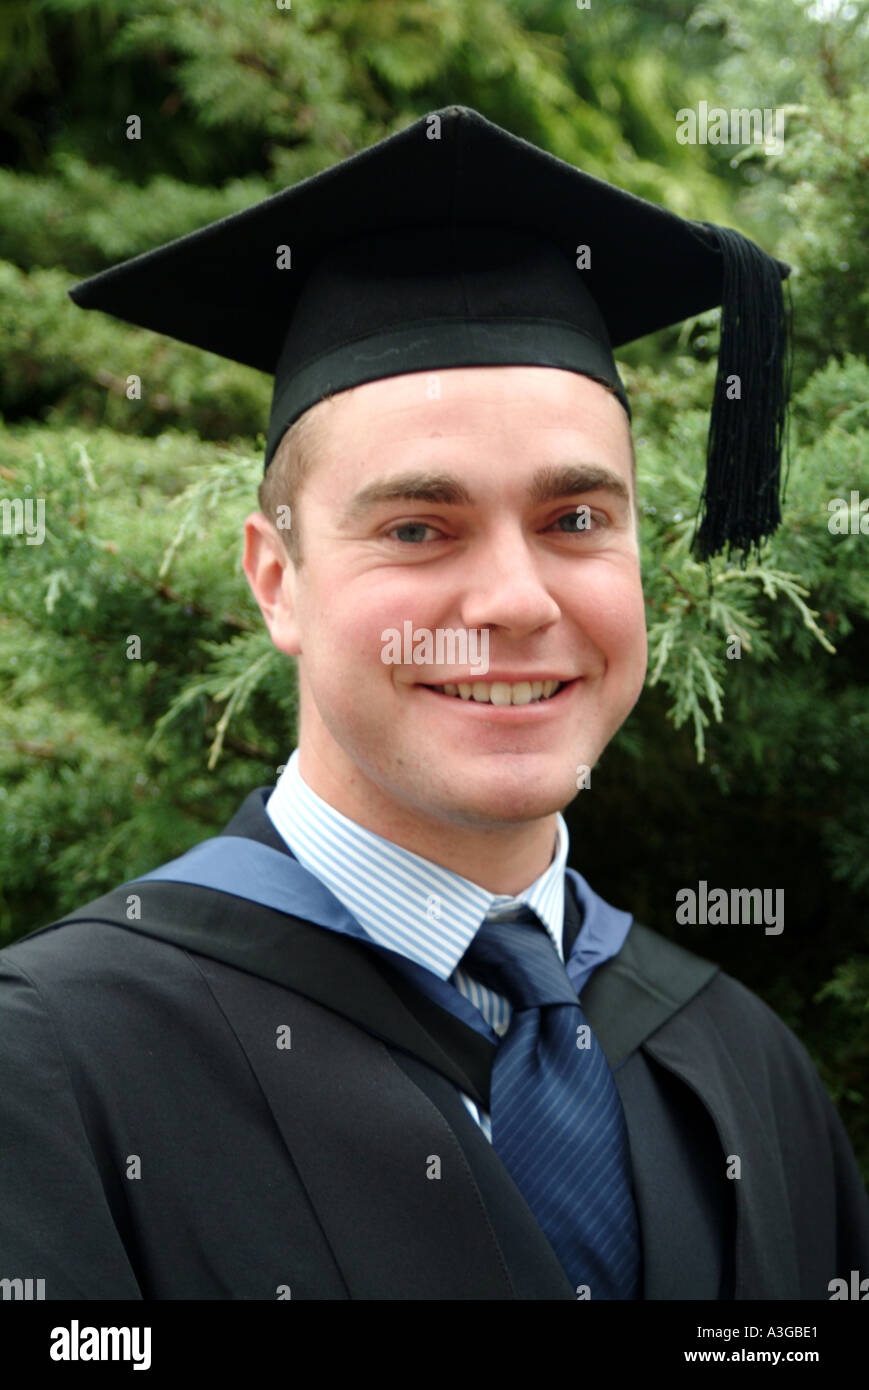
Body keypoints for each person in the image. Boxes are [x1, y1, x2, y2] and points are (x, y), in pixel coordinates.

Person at [1, 105, 867, 1301]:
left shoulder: (738, 1065)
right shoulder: (51, 1066)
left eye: (574, 521)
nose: (515, 600)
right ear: (276, 581)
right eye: (417, 527)